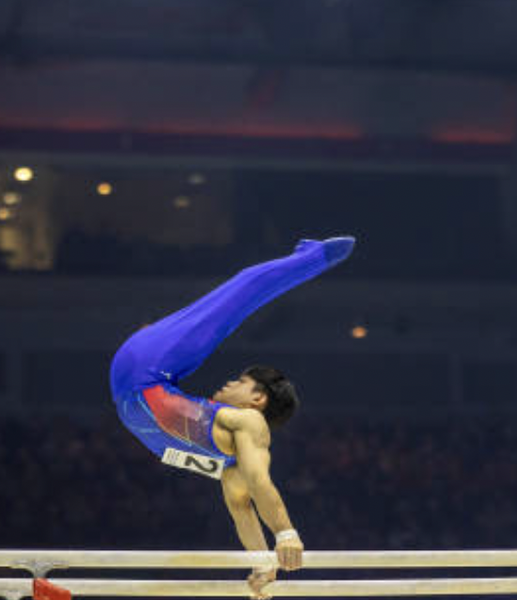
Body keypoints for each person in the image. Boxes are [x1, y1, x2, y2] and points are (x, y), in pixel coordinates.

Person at [109, 236, 356, 599]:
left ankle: (314, 256)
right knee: (231, 306)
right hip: (144, 381)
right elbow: (256, 490)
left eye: (241, 381)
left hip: (144, 371)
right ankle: (308, 259)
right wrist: (275, 545)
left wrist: (270, 555)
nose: (228, 381)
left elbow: (250, 498)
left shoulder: (247, 428)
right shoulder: (233, 450)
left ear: (258, 399)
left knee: (239, 294)